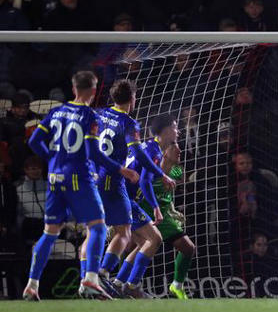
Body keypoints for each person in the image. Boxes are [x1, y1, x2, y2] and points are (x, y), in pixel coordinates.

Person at [23, 71, 140, 300]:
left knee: (50, 233)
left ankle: (32, 285)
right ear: (94, 91)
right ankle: (91, 280)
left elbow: (34, 140)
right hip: (79, 178)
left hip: (54, 178)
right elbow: (94, 153)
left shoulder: (56, 111)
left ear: (73, 88)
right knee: (98, 227)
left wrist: (52, 159)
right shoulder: (89, 115)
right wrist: (121, 169)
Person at [94, 80, 174, 298]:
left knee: (137, 239)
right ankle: (108, 277)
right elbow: (140, 160)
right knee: (144, 237)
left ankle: (118, 282)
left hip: (98, 179)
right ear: (132, 98)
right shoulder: (130, 124)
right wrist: (162, 175)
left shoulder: (101, 114)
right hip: (115, 184)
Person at [134, 114, 195, 299]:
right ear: (165, 150)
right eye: (175, 146)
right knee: (129, 246)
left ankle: (176, 285)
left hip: (162, 216)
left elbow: (166, 196)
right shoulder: (151, 164)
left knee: (188, 248)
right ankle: (123, 284)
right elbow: (141, 186)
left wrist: (172, 210)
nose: (179, 150)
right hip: (143, 212)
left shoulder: (176, 171)